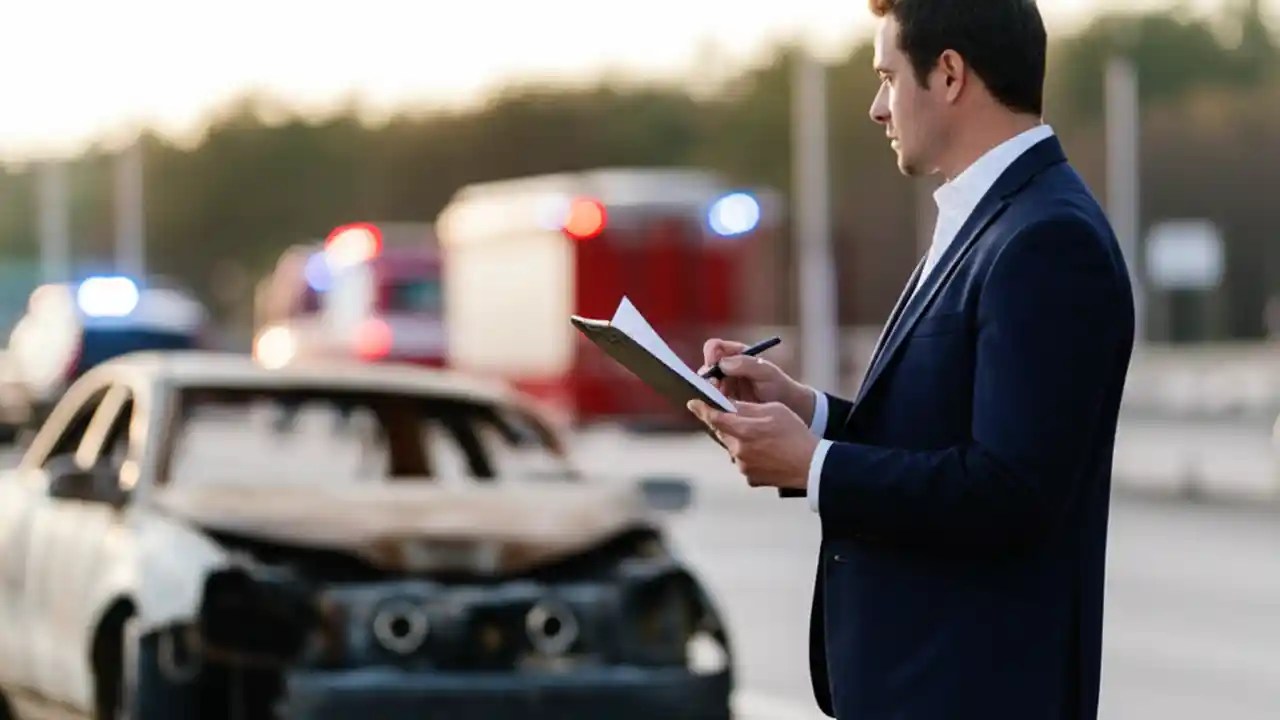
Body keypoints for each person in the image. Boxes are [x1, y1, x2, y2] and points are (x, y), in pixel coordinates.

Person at [686, 1, 1136, 718]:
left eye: (888, 77)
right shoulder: (991, 218)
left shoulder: (1046, 240)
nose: (876, 107)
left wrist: (813, 465)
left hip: (973, 692)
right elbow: (942, 430)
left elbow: (1010, 491)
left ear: (950, 74)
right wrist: (810, 411)